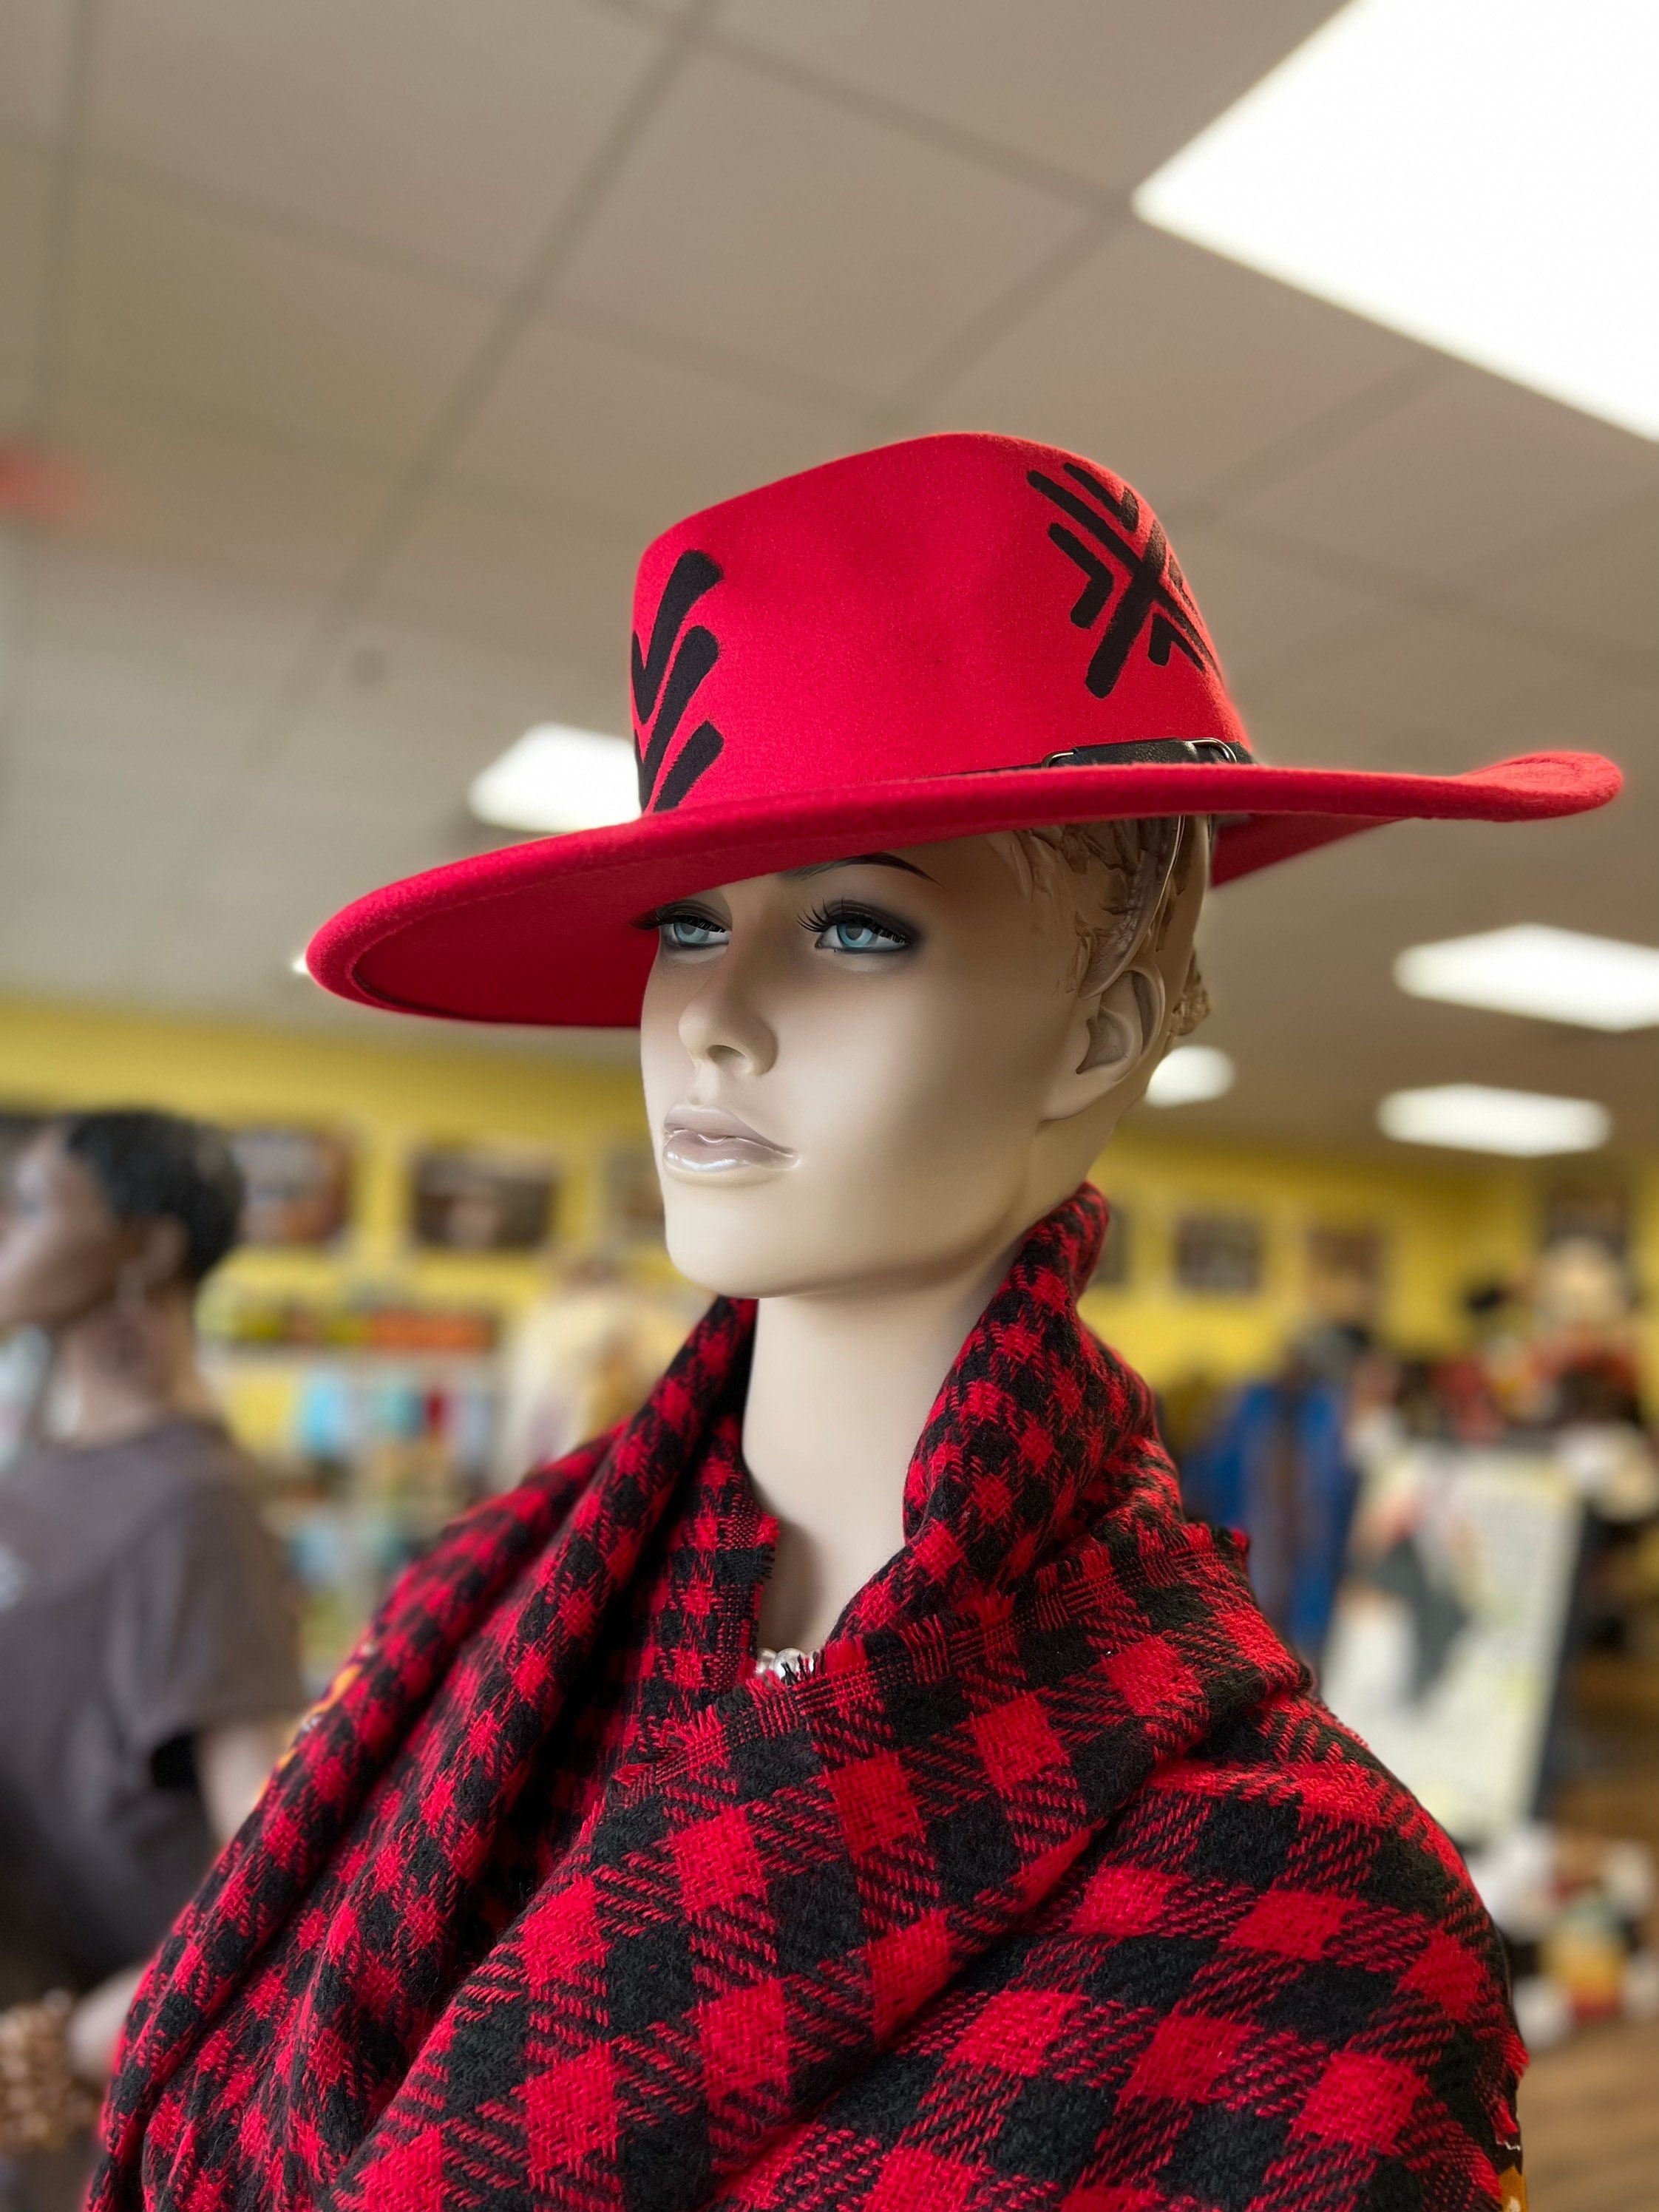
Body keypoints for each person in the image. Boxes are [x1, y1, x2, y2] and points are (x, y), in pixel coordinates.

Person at [96, 435, 1618, 2211]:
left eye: (852, 924)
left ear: (1103, 1027)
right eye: (685, 920)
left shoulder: (1321, 1922)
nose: (709, 1019)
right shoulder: (472, 1612)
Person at [0, 1112, 303, 2194]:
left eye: (32, 1206)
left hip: (60, 2104)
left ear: (148, 1250)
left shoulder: (193, 1505)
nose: (4, 1228)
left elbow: (277, 1866)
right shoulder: (42, 1460)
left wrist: (79, 2041)